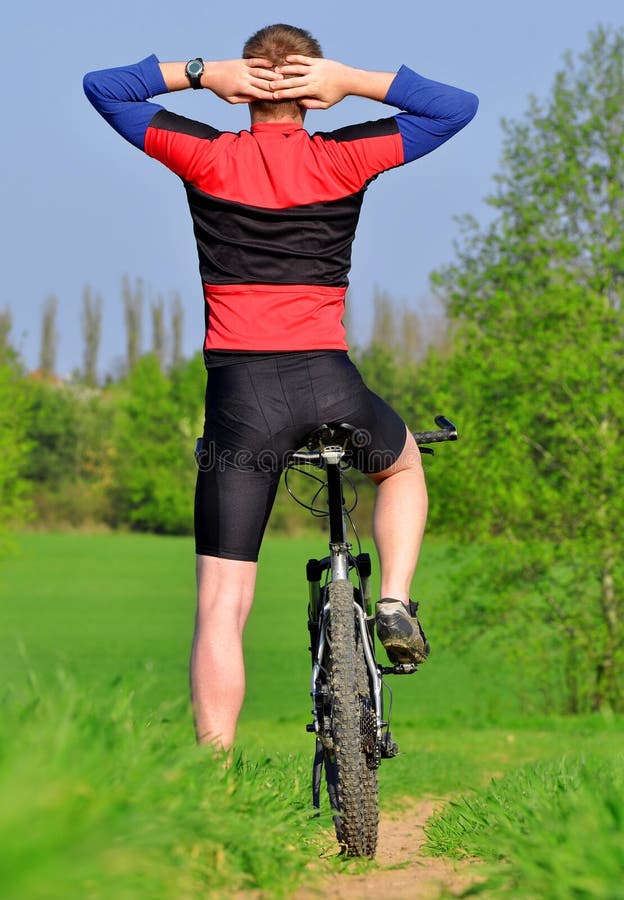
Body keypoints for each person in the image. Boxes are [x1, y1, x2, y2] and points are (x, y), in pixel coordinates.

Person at [84, 24, 478, 750]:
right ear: (311, 89)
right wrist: (351, 80)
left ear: (245, 92)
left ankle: (215, 780)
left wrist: (203, 73)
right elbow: (456, 107)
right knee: (401, 465)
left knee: (222, 602)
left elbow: (103, 87)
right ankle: (392, 601)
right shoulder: (346, 155)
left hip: (241, 399)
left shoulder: (204, 153)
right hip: (330, 383)